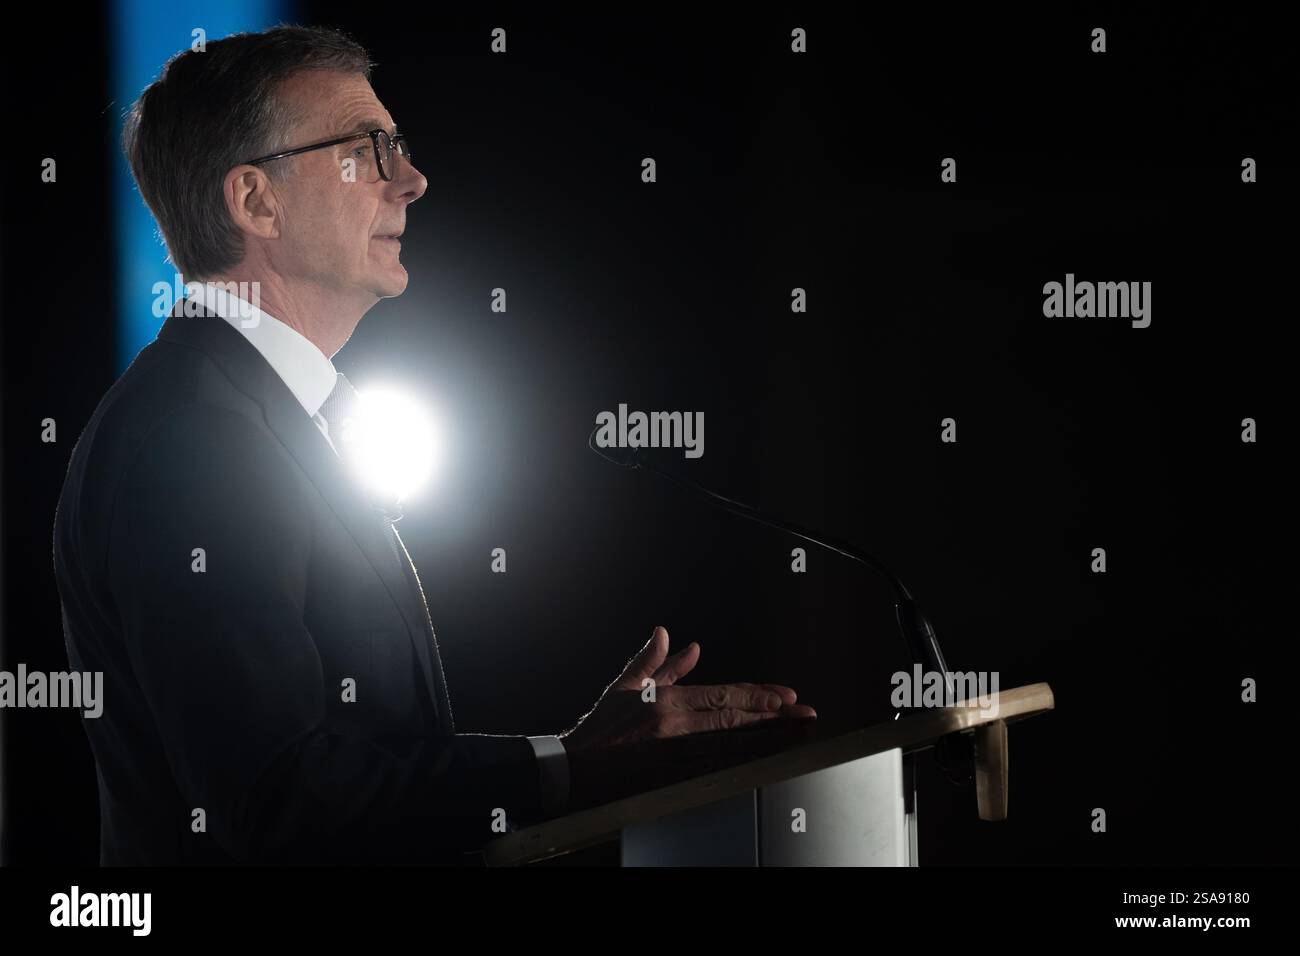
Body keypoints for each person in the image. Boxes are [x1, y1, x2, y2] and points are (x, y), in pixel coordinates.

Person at [52, 24, 814, 865]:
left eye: (401, 148)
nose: (411, 181)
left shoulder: (255, 418)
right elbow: (281, 800)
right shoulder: (194, 439)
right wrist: (571, 764)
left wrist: (575, 760)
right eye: (370, 150)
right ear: (255, 201)